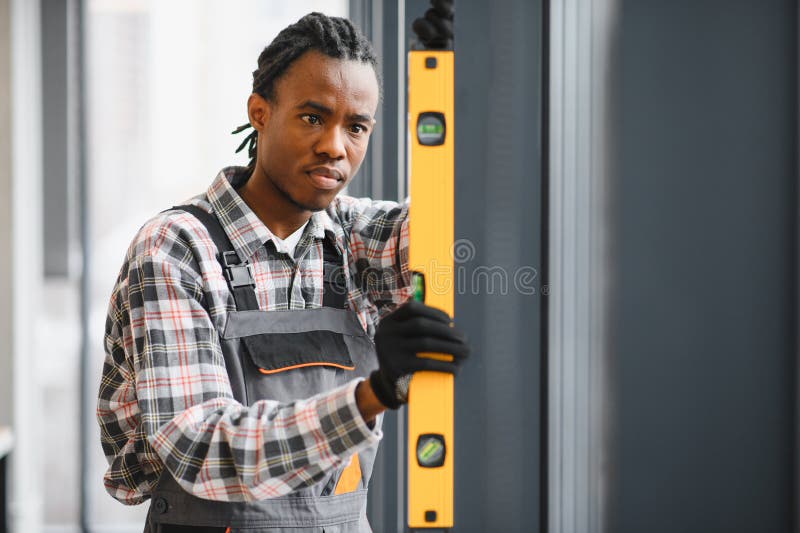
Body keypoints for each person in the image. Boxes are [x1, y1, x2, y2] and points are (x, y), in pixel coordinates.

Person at [97, 12, 469, 533]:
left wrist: (456, 78)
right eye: (313, 117)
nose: (335, 147)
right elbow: (199, 447)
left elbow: (450, 224)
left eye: (355, 127)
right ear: (260, 113)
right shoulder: (177, 249)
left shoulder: (354, 240)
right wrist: (372, 395)